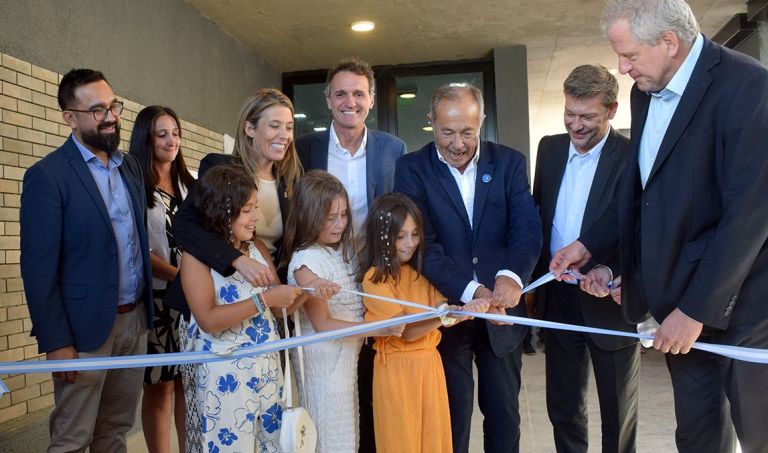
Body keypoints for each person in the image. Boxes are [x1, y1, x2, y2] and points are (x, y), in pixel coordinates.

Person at [550, 1, 768, 452]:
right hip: (678, 304)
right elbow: (642, 195)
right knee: (696, 433)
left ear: (669, 42)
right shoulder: (643, 92)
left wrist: (697, 310)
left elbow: (750, 213)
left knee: (759, 430)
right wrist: (588, 245)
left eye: (629, 55)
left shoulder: (747, 86)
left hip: (743, 305)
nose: (621, 67)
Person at [394, 83, 542, 453]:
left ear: (481, 123)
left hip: (503, 315)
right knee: (451, 418)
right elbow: (422, 245)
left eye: (467, 132)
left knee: (504, 416)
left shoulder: (509, 162)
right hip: (447, 313)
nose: (458, 143)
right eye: (447, 132)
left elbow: (526, 228)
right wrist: (474, 293)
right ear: (430, 122)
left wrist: (509, 279)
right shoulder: (411, 169)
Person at [19, 69, 153, 452]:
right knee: (73, 437)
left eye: (113, 106)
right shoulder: (48, 176)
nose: (110, 116)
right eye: (97, 109)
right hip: (82, 333)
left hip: (133, 322)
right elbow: (38, 267)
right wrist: (56, 340)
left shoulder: (128, 167)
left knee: (116, 430)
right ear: (70, 117)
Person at [294, 59, 406, 450]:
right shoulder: (305, 148)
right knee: (332, 384)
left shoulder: (393, 149)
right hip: (323, 275)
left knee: (371, 380)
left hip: (373, 277)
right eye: (340, 93)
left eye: (359, 93)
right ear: (327, 99)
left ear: (371, 100)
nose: (350, 101)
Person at [532, 64, 639, 453]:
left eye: (587, 117)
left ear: (611, 110)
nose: (576, 126)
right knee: (563, 405)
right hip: (558, 299)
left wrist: (612, 270)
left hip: (609, 301)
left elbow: (642, 230)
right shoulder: (549, 148)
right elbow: (540, 215)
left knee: (618, 410)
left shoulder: (634, 156)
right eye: (570, 114)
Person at [180, 166, 305, 453]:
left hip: (267, 369)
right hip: (226, 376)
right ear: (224, 211)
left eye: (256, 208)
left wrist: (310, 293)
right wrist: (266, 300)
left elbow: (278, 308)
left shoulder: (257, 248)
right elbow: (208, 320)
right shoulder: (196, 259)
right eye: (248, 210)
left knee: (272, 445)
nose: (256, 218)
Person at [282, 170, 404, 453]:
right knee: (330, 443)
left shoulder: (339, 251)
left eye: (344, 215)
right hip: (323, 370)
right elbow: (322, 324)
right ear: (309, 216)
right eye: (330, 217)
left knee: (347, 441)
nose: (340, 224)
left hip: (344, 366)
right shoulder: (306, 259)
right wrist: (379, 328)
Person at [358, 193, 490, 453]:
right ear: (383, 237)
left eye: (415, 234)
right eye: (401, 236)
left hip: (430, 367)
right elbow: (405, 331)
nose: (410, 244)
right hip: (395, 372)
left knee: (432, 440)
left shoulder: (422, 274)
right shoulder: (373, 279)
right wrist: (446, 316)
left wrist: (464, 310)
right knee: (401, 441)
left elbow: (442, 310)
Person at [128, 105, 195, 453]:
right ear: (146, 138)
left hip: (192, 299)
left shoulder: (190, 182)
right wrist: (179, 276)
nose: (172, 140)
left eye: (175, 132)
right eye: (162, 133)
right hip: (158, 300)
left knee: (186, 382)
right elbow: (137, 246)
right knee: (160, 386)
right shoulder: (136, 185)